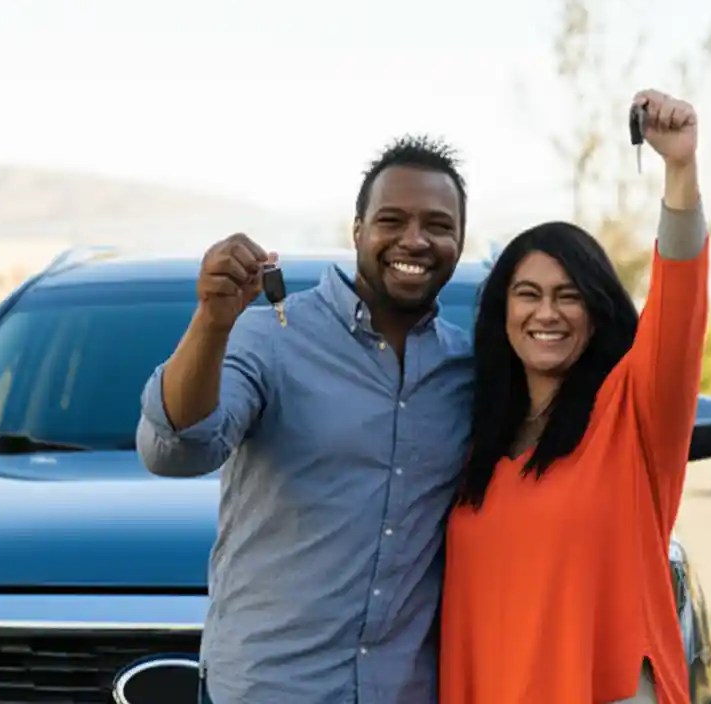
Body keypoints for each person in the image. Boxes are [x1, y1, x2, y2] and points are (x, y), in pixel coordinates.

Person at [136, 135, 474, 704]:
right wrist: (212, 322)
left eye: (438, 225)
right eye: (392, 219)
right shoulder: (269, 336)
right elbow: (175, 450)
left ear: (459, 240)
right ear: (359, 230)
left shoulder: (468, 371)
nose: (414, 239)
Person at [438, 89, 709, 704]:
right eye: (528, 294)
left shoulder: (634, 414)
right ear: (502, 311)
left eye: (568, 295)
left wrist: (681, 171)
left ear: (596, 308)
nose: (547, 313)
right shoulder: (474, 434)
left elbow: (680, 305)